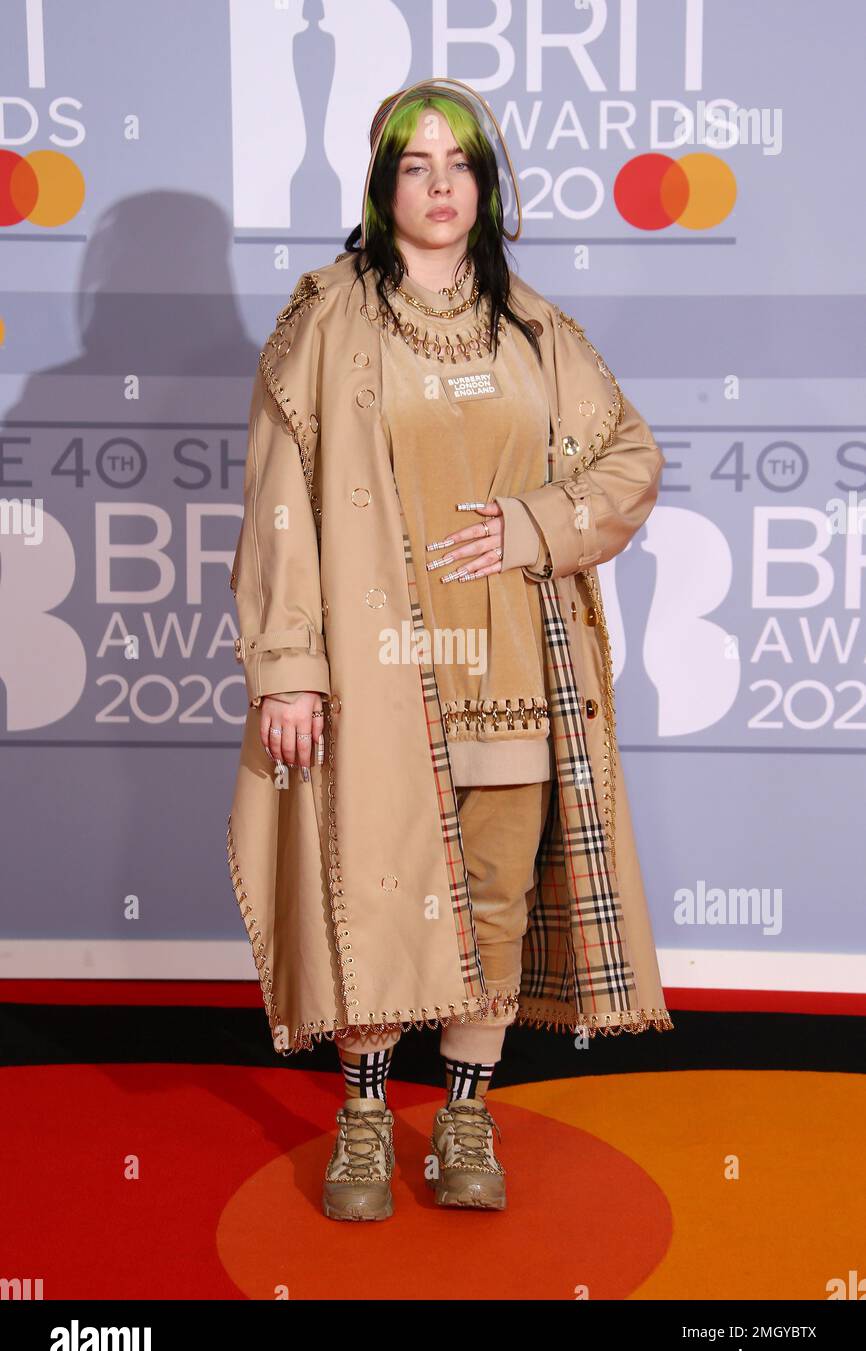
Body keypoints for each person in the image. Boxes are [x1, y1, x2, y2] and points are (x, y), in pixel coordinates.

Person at [227, 78, 673, 1223]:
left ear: (485, 182)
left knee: (492, 905)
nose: (438, 185)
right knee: (375, 894)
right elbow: (280, 504)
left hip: (517, 675)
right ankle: (367, 1117)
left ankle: (464, 1111)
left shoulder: (534, 330)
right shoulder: (325, 320)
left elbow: (627, 461)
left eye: (458, 163)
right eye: (414, 165)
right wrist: (289, 663)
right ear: (383, 187)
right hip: (380, 678)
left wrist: (532, 524)